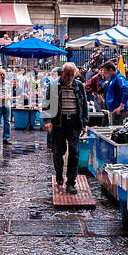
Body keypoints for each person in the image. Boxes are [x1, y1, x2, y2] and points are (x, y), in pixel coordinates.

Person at [42, 62, 88, 193]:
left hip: (74, 123)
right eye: (67, 74)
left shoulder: (79, 86)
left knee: (74, 153)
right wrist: (47, 120)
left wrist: (84, 123)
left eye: (72, 74)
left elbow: (84, 105)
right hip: (59, 123)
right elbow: (46, 104)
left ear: (75, 74)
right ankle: (59, 174)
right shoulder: (54, 86)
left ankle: (71, 182)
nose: (69, 77)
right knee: (58, 152)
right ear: (62, 73)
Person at [100, 61, 128, 125]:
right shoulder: (111, 79)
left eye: (105, 72)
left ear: (110, 70)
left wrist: (121, 106)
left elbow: (127, 90)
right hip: (113, 111)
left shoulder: (119, 78)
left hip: (120, 112)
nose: (104, 74)